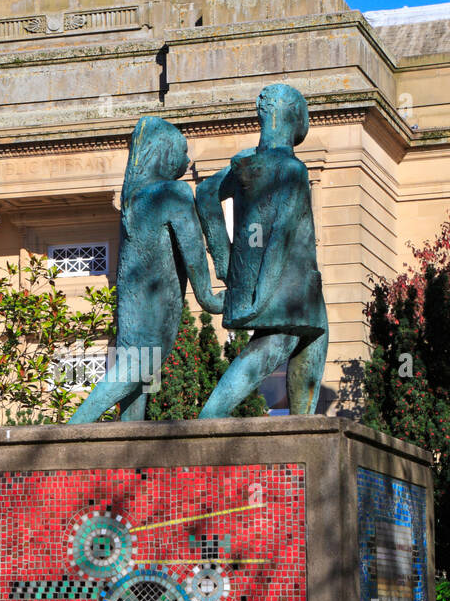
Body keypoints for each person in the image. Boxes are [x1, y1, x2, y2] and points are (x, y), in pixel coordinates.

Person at [69, 115, 223, 423]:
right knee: (139, 366)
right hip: (154, 304)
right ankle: (74, 429)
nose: (187, 159)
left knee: (140, 374)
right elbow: (192, 249)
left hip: (133, 303)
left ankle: (130, 449)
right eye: (182, 151)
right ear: (164, 153)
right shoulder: (172, 194)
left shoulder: (134, 199)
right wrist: (207, 296)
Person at [194, 83, 328, 418]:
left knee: (314, 338)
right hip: (285, 282)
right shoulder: (292, 170)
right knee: (277, 343)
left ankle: (302, 429)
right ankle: (210, 417)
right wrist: (262, 294)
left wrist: (225, 260)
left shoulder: (246, 165)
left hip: (289, 282)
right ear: (296, 117)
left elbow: (206, 193)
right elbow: (281, 236)